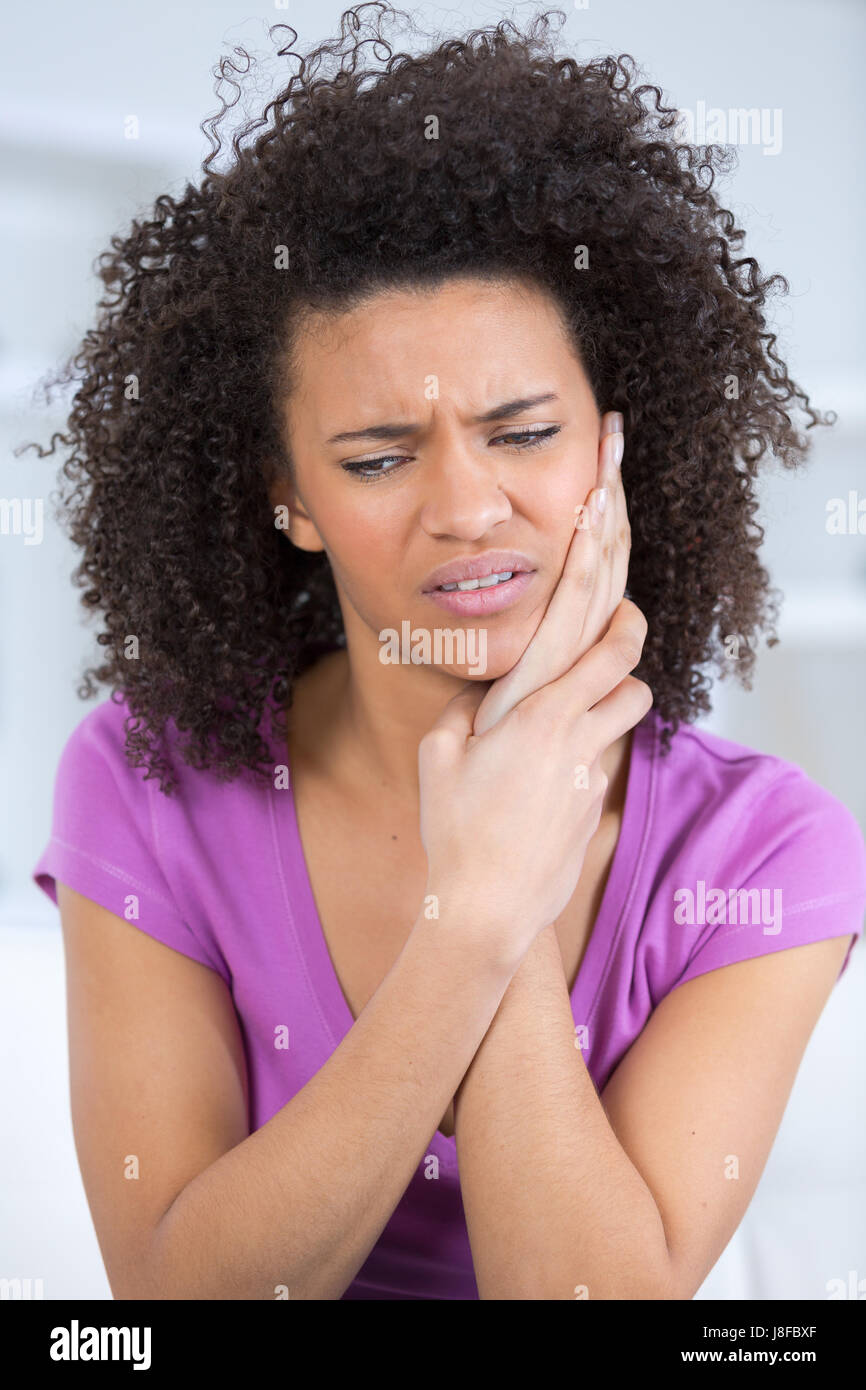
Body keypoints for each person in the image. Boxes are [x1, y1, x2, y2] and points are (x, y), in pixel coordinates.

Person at [27, 6, 865, 1300]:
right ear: (285, 495)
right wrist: (472, 916)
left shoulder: (762, 852)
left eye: (525, 434)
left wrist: (511, 824)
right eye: (375, 458)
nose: (466, 507)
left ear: (615, 449)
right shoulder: (149, 777)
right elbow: (172, 1299)